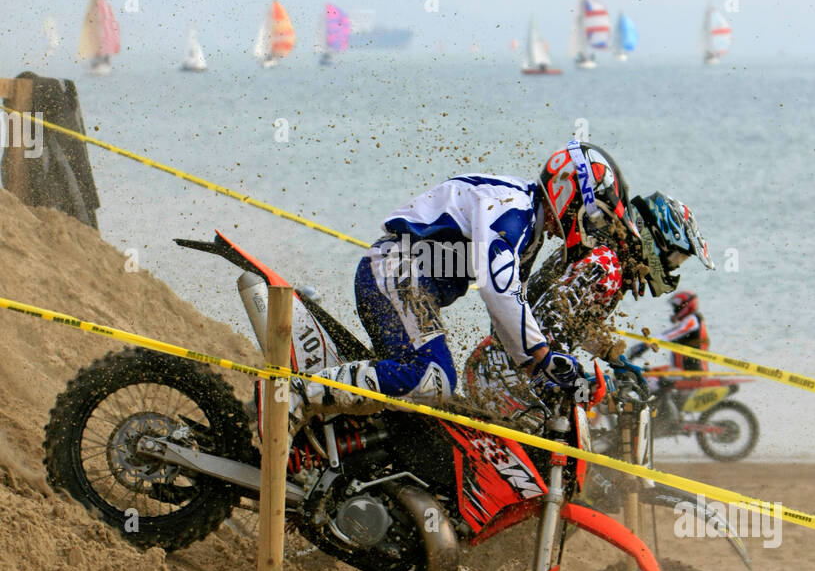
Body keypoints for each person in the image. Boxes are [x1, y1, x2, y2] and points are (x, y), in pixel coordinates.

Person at [287, 143, 612, 429]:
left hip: (402, 282)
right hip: (395, 271)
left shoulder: (529, 232)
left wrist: (541, 373)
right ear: (569, 192)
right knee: (434, 376)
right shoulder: (513, 207)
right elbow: (497, 290)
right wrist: (542, 355)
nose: (591, 224)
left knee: (423, 406)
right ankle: (296, 394)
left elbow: (505, 317)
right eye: (593, 212)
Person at [464, 180, 714, 411]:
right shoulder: (607, 264)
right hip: (504, 375)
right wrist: (578, 377)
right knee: (555, 450)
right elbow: (550, 318)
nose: (674, 267)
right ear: (656, 240)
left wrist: (614, 358)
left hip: (511, 367)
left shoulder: (608, 255)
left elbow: (573, 321)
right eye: (676, 258)